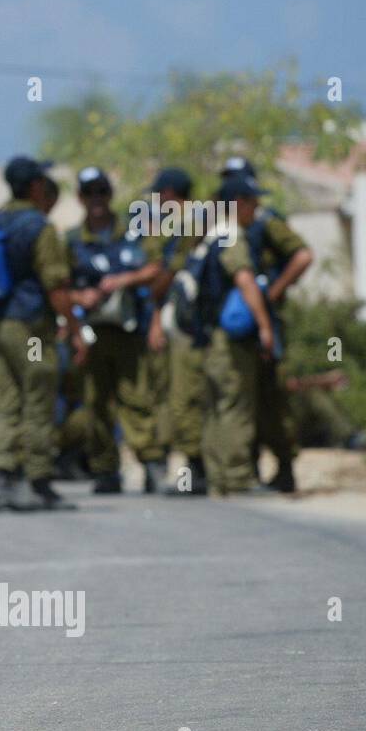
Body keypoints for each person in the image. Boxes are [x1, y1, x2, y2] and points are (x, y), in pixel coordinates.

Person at [0, 157, 88, 512]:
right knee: (39, 398)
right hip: (29, 330)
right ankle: (37, 481)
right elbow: (56, 286)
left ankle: (2, 480)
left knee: (7, 401)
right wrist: (75, 331)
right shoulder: (39, 226)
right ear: (36, 186)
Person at [197, 174, 311, 495]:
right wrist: (264, 324)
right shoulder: (232, 237)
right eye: (251, 202)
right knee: (235, 406)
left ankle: (220, 477)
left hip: (212, 337)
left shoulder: (211, 236)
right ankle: (237, 478)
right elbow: (245, 280)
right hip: (230, 340)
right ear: (237, 204)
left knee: (218, 406)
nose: (257, 208)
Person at [65, 166, 168, 494]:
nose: (96, 199)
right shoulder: (71, 240)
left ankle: (152, 465)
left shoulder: (134, 230)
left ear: (109, 194)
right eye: (89, 192)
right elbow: (56, 286)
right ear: (80, 198)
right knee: (96, 404)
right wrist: (82, 298)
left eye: (101, 192)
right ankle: (105, 470)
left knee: (136, 398)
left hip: (128, 330)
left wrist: (123, 280)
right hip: (91, 332)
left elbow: (157, 269)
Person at [144, 167, 209, 496]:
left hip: (191, 326)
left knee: (186, 399)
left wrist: (152, 292)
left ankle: (197, 470)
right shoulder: (177, 223)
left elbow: (169, 275)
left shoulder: (194, 221)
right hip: (177, 321)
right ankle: (185, 467)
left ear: (170, 193)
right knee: (170, 397)